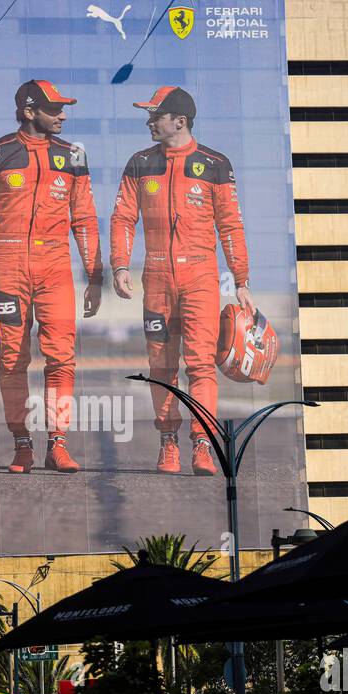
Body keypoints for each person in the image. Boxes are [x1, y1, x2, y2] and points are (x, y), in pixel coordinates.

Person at [0, 78, 103, 475]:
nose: (62, 115)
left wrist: (94, 275)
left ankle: (58, 444)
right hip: (8, 265)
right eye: (54, 109)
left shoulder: (73, 155)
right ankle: (22, 445)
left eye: (62, 108)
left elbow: (85, 219)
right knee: (12, 360)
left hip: (56, 268)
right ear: (28, 111)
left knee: (62, 358)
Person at [110, 86, 252, 476]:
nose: (148, 121)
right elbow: (123, 217)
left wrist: (241, 279)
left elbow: (231, 225)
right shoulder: (139, 162)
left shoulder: (215, 163)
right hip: (156, 278)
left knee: (201, 365)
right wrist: (120, 265)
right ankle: (168, 443)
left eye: (155, 115)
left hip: (201, 277)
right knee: (161, 367)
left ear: (179, 121)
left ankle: (202, 446)